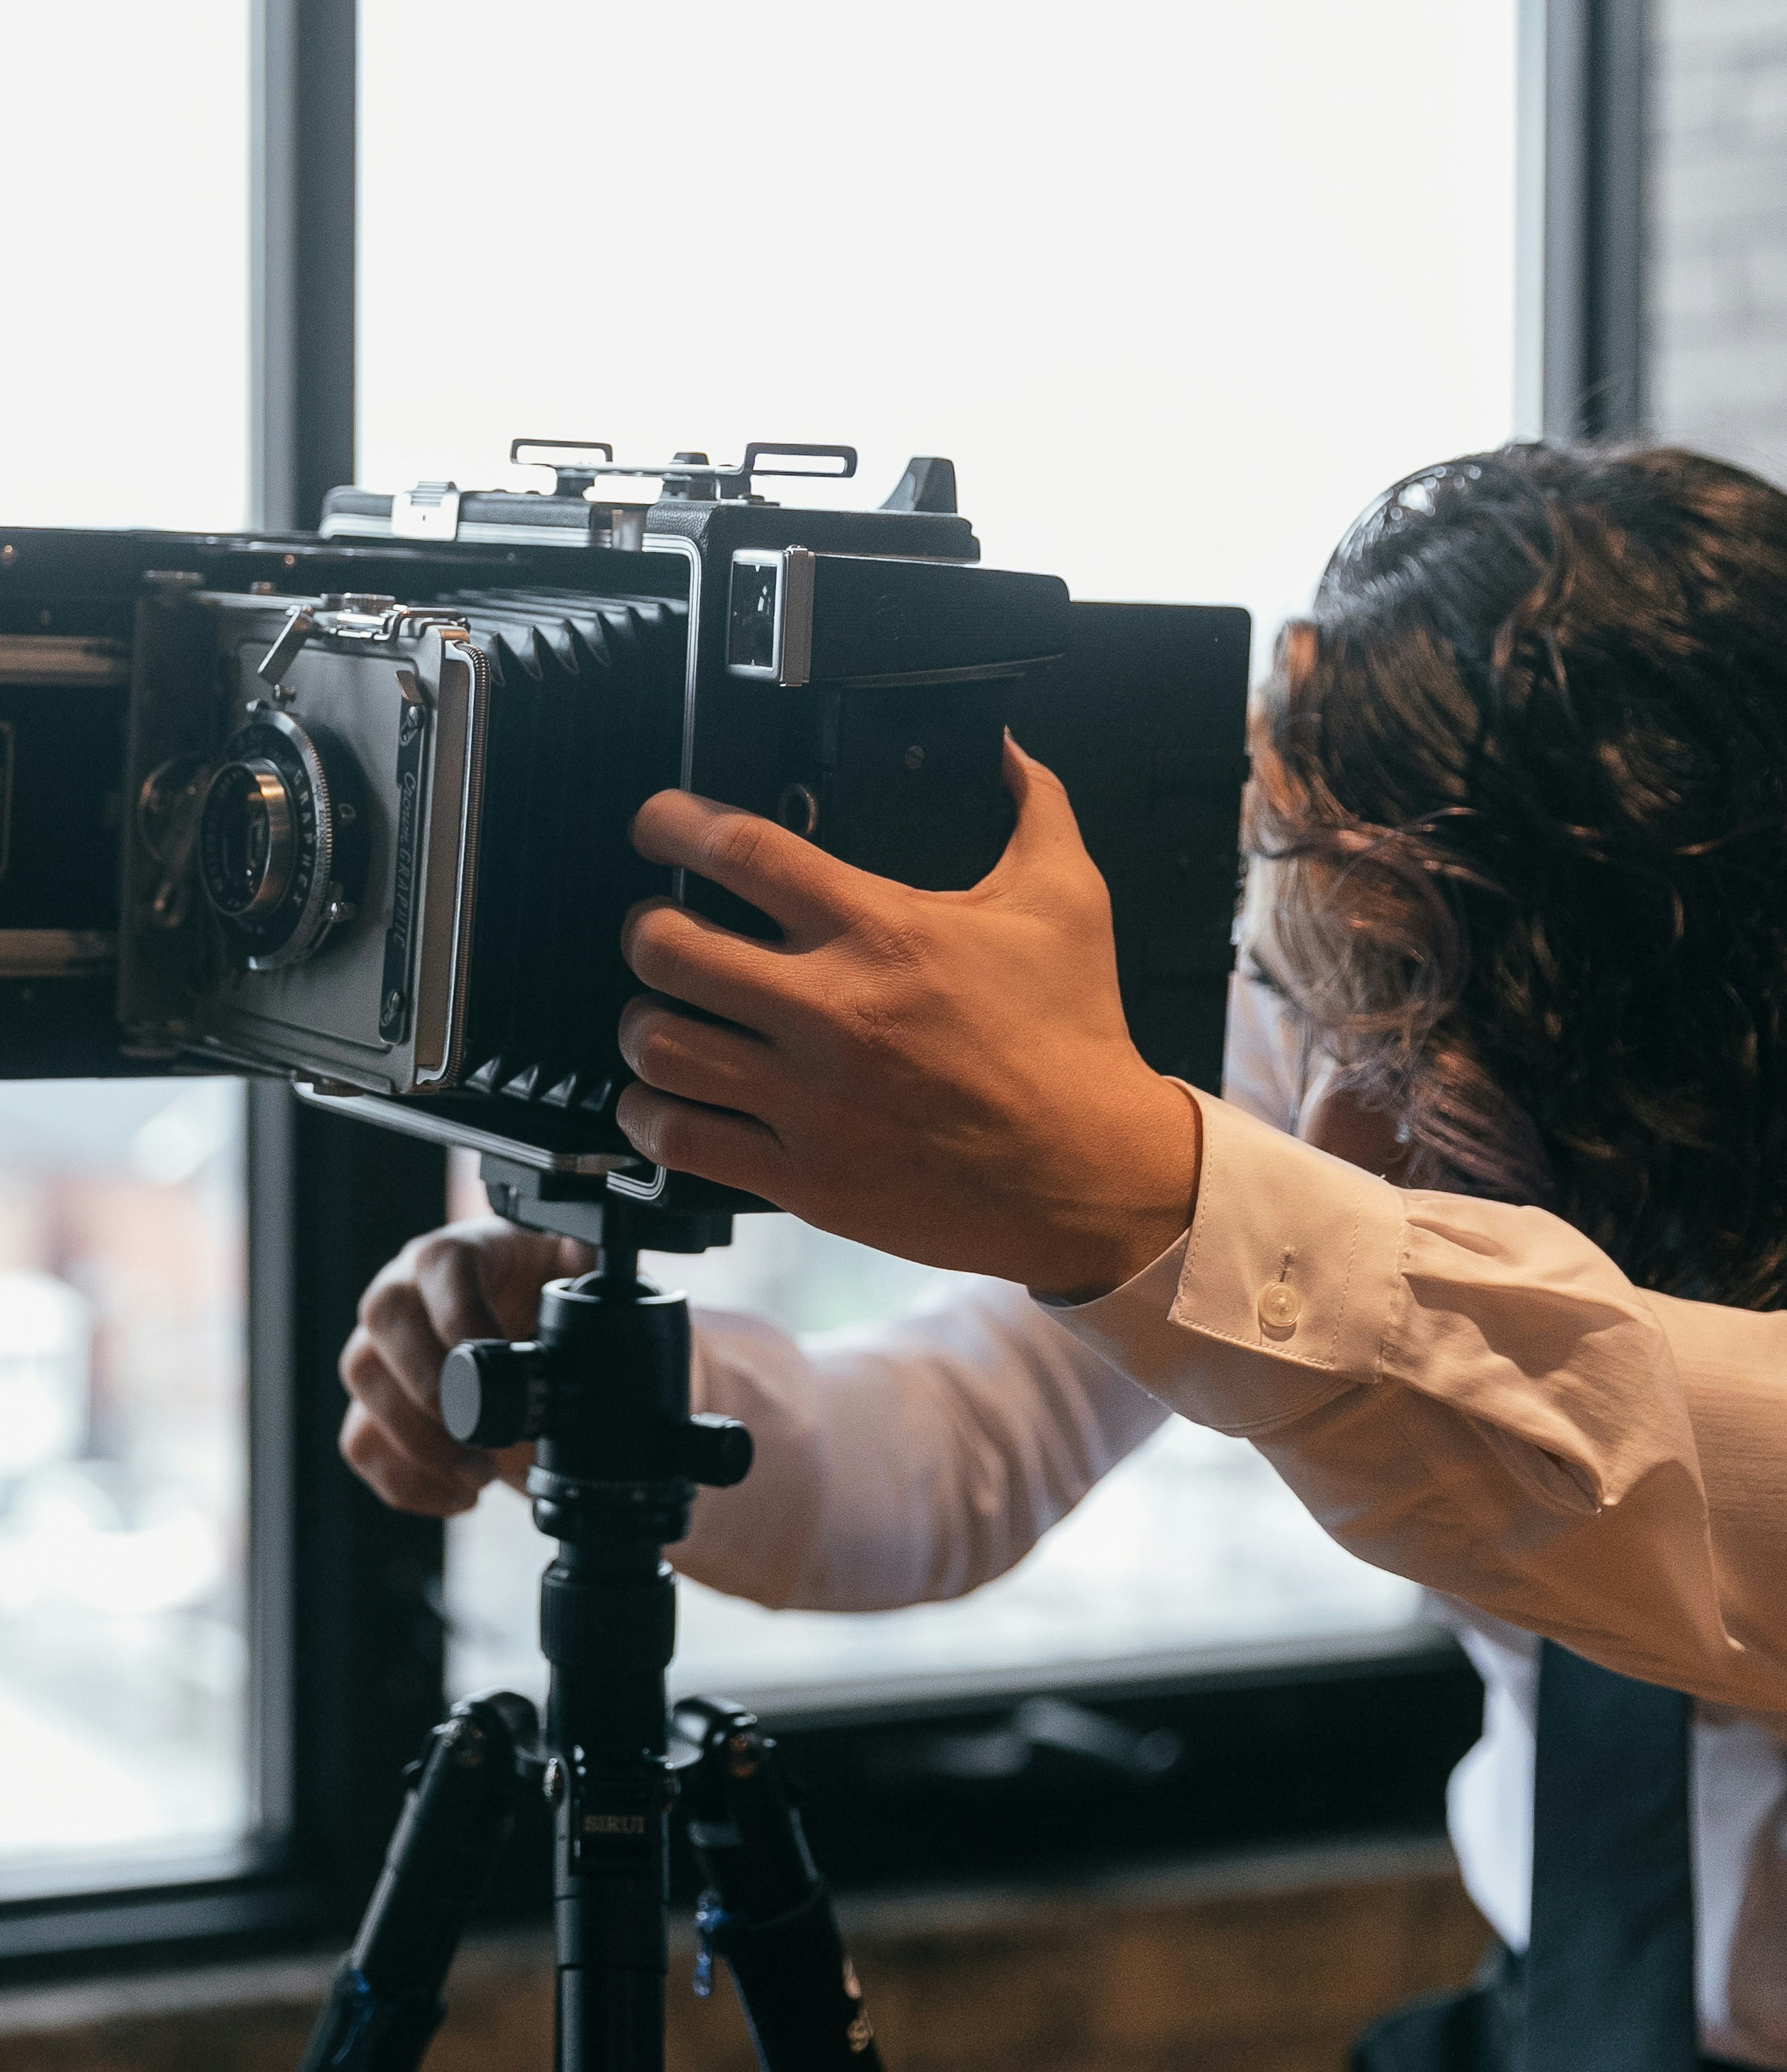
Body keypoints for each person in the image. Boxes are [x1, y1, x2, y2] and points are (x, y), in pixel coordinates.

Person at [336, 444, 1787, 2071]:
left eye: (1416, 1044)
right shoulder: (1341, 986)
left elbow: (1695, 1470)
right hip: (1533, 2004)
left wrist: (1142, 1196)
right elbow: (961, 1447)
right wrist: (619, 1397)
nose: (1324, 1123)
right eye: (1317, 1002)